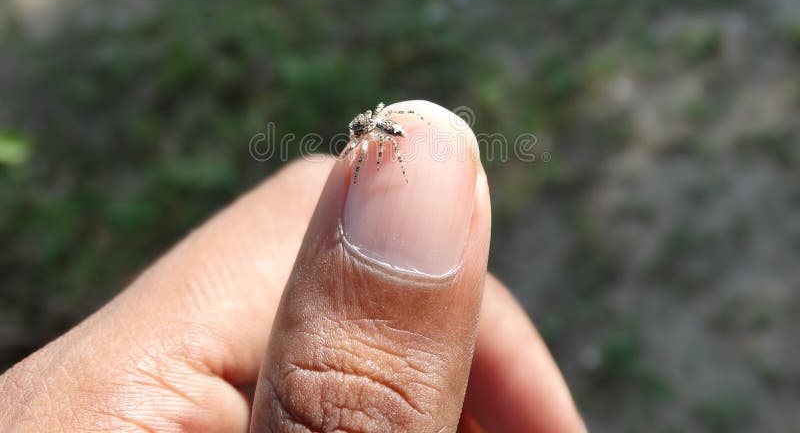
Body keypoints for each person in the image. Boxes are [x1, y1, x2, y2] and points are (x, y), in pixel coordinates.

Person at [0, 101, 585, 432]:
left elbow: (376, 127)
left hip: (387, 141)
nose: (371, 132)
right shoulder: (370, 140)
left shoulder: (378, 134)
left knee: (391, 160)